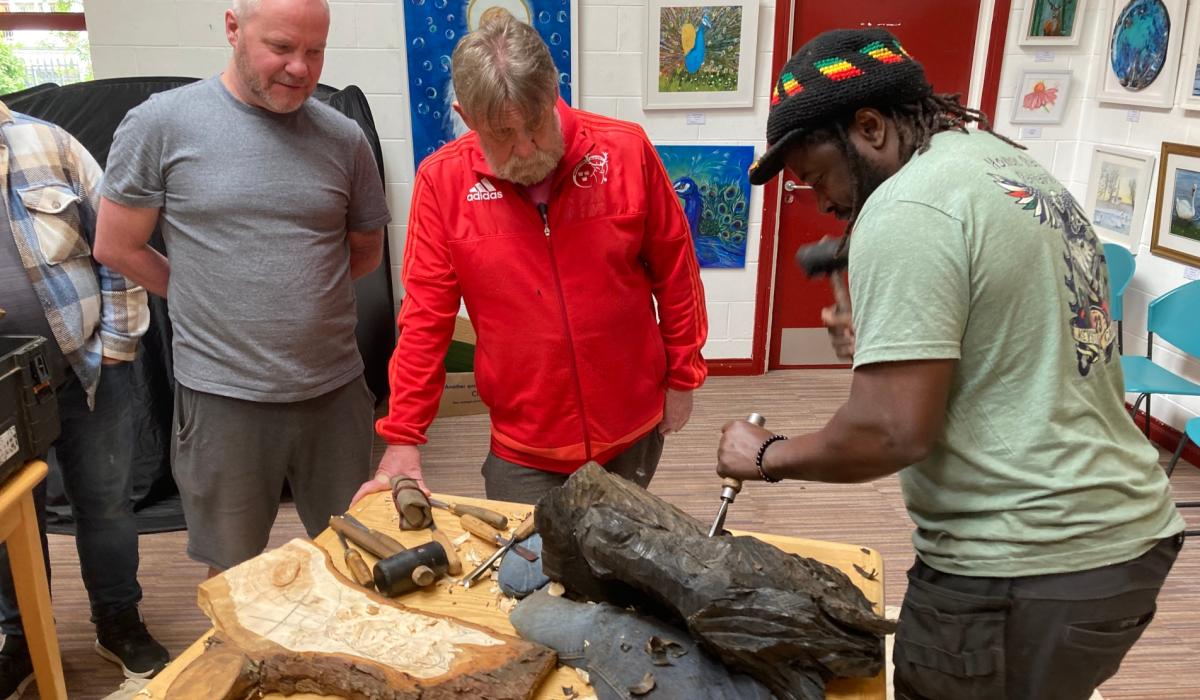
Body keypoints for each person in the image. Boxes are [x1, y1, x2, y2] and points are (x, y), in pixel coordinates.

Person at [717, 28, 1185, 700]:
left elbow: (892, 432)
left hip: (1026, 566)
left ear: (870, 127)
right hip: (1120, 543)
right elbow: (1017, 344)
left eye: (819, 175)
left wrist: (765, 454)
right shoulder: (1004, 163)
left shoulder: (905, 206)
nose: (821, 203)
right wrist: (889, 338)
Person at [354, 10, 707, 508]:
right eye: (502, 133)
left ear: (553, 88)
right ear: (466, 116)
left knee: (619, 564)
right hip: (525, 445)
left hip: (633, 425)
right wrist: (404, 436)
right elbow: (424, 321)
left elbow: (677, 276)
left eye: (537, 123)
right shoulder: (443, 184)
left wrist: (683, 377)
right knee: (526, 575)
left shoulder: (625, 151)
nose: (526, 147)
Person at [93, 0, 390, 577]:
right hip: (223, 397)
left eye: (315, 50)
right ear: (233, 28)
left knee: (356, 559)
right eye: (281, 48)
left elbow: (365, 252)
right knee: (232, 575)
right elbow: (116, 245)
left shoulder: (343, 136)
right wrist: (203, 292)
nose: (301, 68)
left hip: (332, 392)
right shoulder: (161, 123)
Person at [0, 98, 167, 691]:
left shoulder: (50, 144)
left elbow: (117, 243)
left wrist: (116, 345)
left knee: (107, 505)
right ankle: (22, 637)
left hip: (84, 368)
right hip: (0, 397)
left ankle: (119, 623)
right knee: (13, 517)